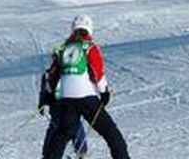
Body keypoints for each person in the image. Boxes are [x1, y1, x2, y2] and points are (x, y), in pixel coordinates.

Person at [41, 15, 130, 159]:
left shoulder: (63, 49)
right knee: (111, 133)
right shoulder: (89, 47)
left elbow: (52, 75)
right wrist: (104, 93)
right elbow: (98, 73)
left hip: (66, 99)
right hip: (86, 98)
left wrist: (48, 96)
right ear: (90, 30)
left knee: (62, 135)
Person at [40, 47, 89, 159]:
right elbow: (46, 90)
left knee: (61, 127)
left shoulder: (55, 72)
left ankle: (49, 153)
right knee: (71, 126)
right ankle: (79, 152)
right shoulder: (52, 73)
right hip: (63, 106)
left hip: (63, 106)